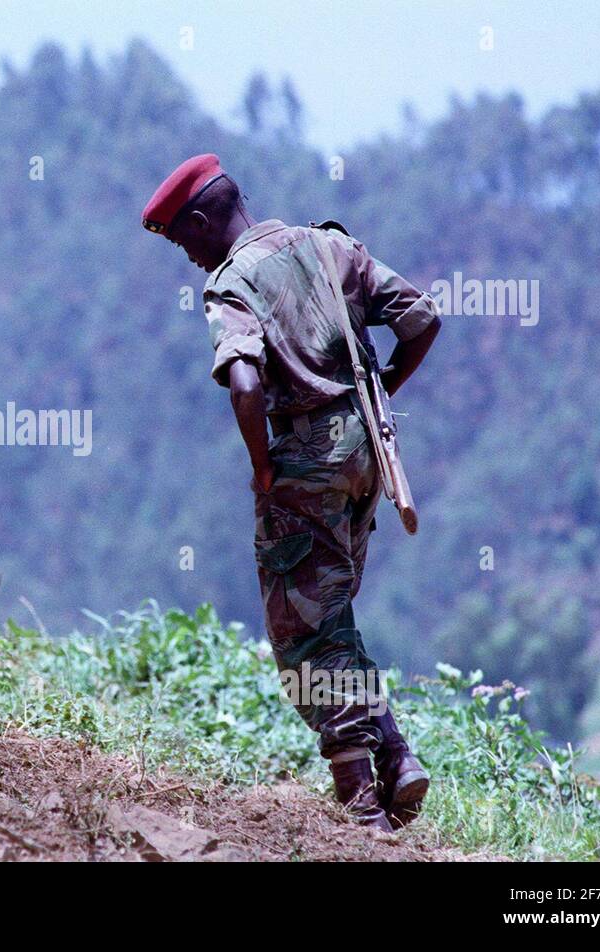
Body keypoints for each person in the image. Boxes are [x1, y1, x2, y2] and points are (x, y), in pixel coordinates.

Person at [141, 154, 439, 830]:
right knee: (328, 614)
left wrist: (264, 466)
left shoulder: (232, 282)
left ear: (201, 219)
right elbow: (421, 319)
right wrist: (380, 390)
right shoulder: (330, 246)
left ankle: (361, 806)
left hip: (302, 463)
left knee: (301, 638)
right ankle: (395, 754)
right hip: (368, 456)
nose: (188, 256)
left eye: (185, 240)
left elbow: (245, 384)